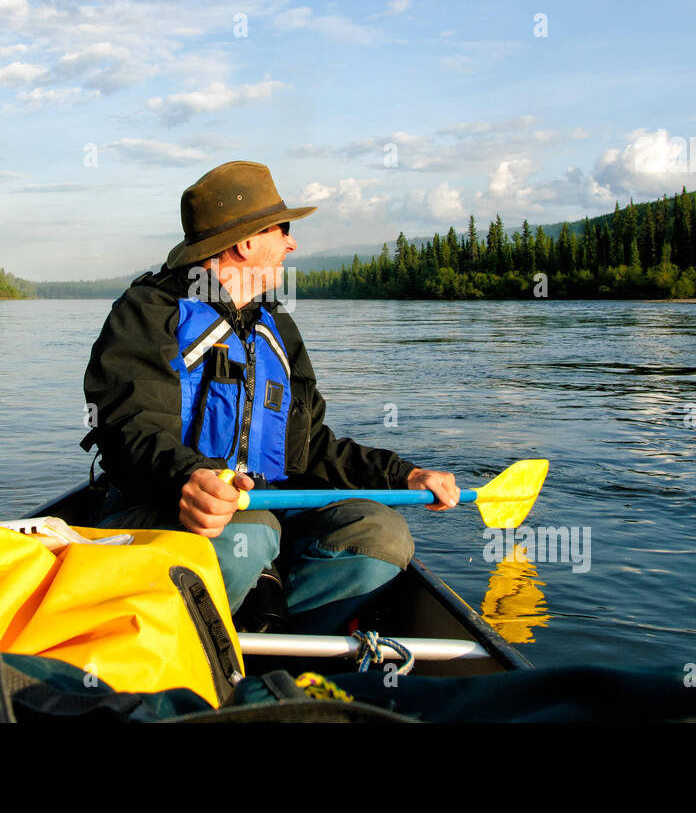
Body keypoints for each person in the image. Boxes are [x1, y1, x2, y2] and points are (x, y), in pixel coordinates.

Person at [80, 160, 461, 634]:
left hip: (264, 513)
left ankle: (273, 644)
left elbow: (311, 447)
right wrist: (189, 477)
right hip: (163, 506)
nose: (292, 243)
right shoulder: (148, 312)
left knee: (381, 533)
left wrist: (404, 473)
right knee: (253, 527)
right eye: (283, 230)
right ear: (246, 241)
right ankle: (196, 656)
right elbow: (129, 430)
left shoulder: (278, 328)